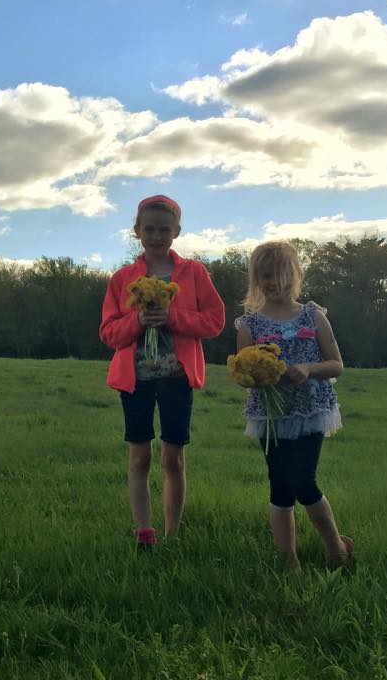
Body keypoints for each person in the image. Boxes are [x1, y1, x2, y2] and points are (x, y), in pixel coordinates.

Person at [100, 195, 225, 549]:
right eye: (149, 229)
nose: (156, 236)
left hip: (176, 378)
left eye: (164, 230)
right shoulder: (122, 278)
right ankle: (144, 532)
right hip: (134, 380)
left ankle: (172, 534)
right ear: (137, 231)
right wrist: (137, 321)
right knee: (140, 455)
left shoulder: (194, 273)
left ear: (177, 232)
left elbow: (214, 321)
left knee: (174, 457)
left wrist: (173, 317)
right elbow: (108, 332)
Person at [235, 240, 353, 571]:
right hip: (270, 415)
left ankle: (336, 547)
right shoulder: (249, 325)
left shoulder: (313, 316)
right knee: (280, 485)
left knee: (304, 481)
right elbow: (241, 372)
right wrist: (258, 376)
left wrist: (308, 370)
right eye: (266, 276)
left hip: (310, 411)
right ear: (257, 280)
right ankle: (289, 561)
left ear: (296, 274)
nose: (274, 282)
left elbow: (336, 365)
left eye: (282, 274)